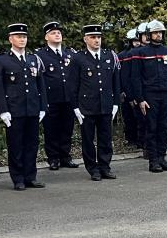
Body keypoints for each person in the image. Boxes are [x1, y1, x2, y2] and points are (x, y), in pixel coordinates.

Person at [0, 23, 48, 191]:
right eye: (18, 37)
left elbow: (40, 84)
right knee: (15, 145)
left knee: (32, 144)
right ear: (11, 39)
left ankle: (30, 176)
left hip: (32, 108)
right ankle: (18, 178)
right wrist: (3, 110)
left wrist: (43, 106)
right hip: (14, 110)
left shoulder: (33, 59)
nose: (22, 39)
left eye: (24, 37)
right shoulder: (1, 60)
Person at [67, 23, 120, 180]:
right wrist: (75, 107)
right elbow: (72, 85)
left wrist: (116, 103)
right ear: (85, 39)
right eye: (93, 37)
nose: (97, 40)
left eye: (98, 37)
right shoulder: (78, 58)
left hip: (106, 105)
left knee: (106, 139)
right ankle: (93, 169)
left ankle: (105, 167)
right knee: (88, 140)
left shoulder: (109, 56)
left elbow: (116, 82)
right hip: (87, 107)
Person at [129, 20, 167, 173]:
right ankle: (153, 160)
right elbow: (136, 78)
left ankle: (162, 157)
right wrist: (140, 99)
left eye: (160, 32)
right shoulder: (141, 53)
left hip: (166, 94)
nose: (158, 35)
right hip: (150, 95)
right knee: (151, 128)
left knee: (163, 127)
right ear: (149, 35)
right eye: (155, 32)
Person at [36, 21, 78, 171]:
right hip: (51, 99)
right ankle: (53, 158)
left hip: (68, 98)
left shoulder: (70, 53)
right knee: (51, 129)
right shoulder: (40, 55)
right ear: (46, 37)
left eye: (59, 32)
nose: (57, 34)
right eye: (53, 33)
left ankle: (65, 156)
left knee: (67, 128)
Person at [119, 27, 143, 148]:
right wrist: (123, 91)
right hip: (127, 91)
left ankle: (140, 140)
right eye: (134, 41)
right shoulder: (122, 55)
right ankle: (130, 139)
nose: (137, 43)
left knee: (139, 118)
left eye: (138, 40)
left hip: (139, 91)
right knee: (129, 117)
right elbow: (122, 76)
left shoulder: (141, 53)